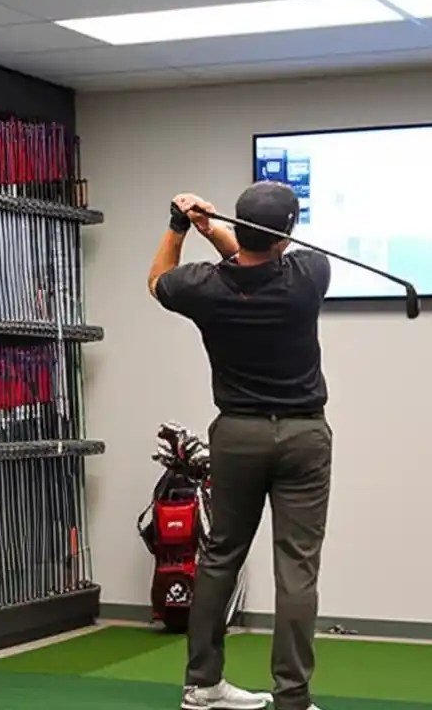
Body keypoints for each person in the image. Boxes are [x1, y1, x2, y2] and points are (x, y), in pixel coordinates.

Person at [147, 182, 333, 710]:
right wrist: (218, 235)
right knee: (297, 567)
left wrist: (183, 226)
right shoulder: (310, 275)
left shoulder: (204, 287)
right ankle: (293, 699)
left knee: (220, 555)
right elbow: (253, 258)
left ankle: (202, 685)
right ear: (287, 234)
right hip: (302, 435)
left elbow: (159, 279)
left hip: (236, 436)